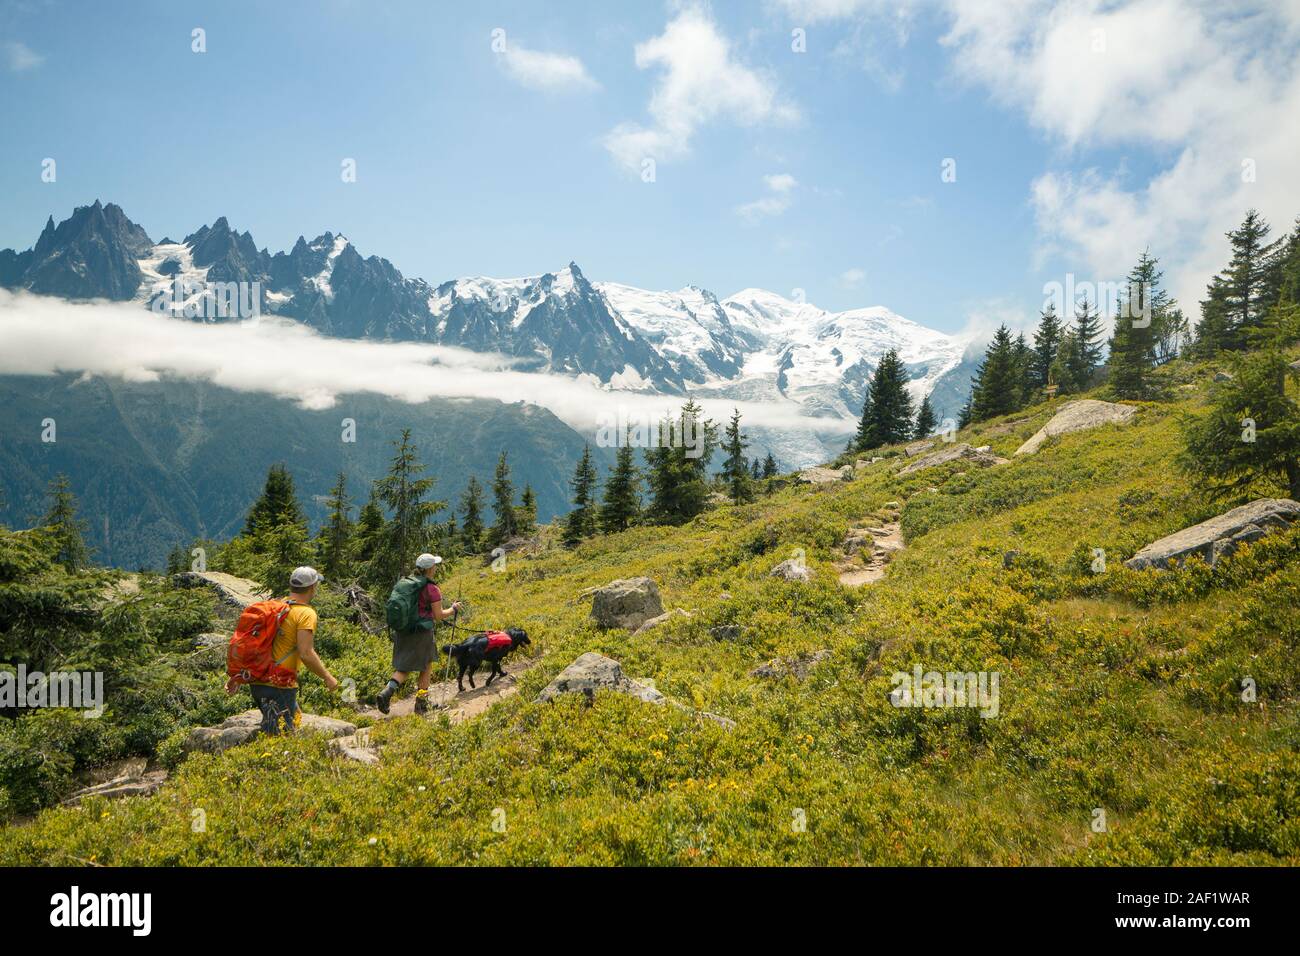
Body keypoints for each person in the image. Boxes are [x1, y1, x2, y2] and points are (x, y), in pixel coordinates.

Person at [251, 566, 340, 735]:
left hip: (258, 682)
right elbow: (306, 653)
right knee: (281, 738)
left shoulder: (277, 607)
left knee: (292, 723)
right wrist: (327, 677)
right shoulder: (306, 613)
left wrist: (238, 677)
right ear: (313, 587)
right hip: (279, 684)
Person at [376, 553, 462, 714]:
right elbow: (438, 616)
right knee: (426, 665)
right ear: (430, 568)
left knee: (405, 666)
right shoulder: (431, 588)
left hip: (403, 630)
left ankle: (387, 692)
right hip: (422, 633)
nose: (436, 568)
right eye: (434, 565)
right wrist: (453, 609)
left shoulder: (407, 583)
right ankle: (421, 704)